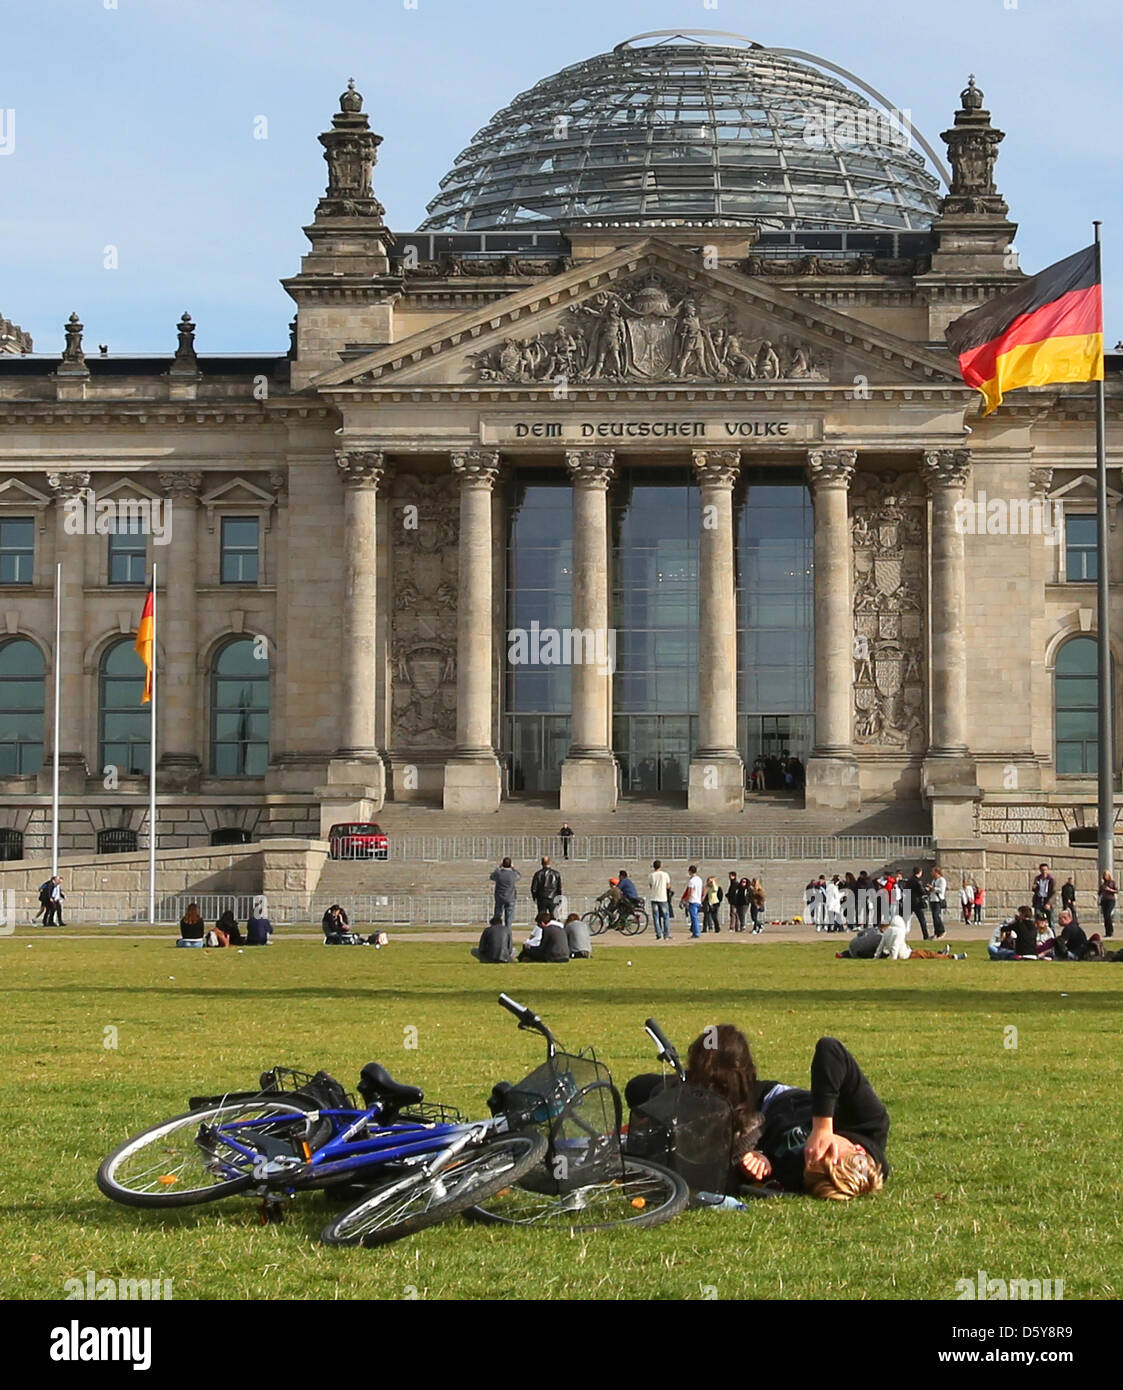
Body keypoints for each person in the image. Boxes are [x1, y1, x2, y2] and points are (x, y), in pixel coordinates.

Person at [629, 1026, 888, 1200]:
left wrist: (757, 1160)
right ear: (859, 1149)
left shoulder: (811, 1177)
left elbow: (738, 1178)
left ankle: (685, 1092)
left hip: (745, 1125)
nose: (814, 1153)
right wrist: (822, 1128)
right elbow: (829, 1050)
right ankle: (688, 1086)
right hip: (766, 1098)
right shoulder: (869, 1122)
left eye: (811, 1163)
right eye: (828, 1151)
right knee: (721, 1043)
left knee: (652, 1096)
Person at [874, 914, 965, 960]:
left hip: (908, 952)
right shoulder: (899, 932)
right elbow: (895, 946)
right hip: (907, 955)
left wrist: (876, 957)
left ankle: (941, 953)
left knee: (927, 953)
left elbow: (880, 946)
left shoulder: (888, 932)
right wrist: (894, 959)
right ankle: (952, 957)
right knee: (929, 954)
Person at [489, 857, 520, 934]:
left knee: (497, 916)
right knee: (509, 919)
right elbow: (519, 876)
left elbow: (492, 876)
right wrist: (513, 868)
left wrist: (498, 868)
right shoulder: (513, 874)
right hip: (510, 897)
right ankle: (508, 934)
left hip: (500, 897)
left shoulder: (499, 873)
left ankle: (496, 932)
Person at [901, 866, 929, 940]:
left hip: (908, 901)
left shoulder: (909, 880)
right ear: (920, 872)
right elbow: (922, 892)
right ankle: (925, 935)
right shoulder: (918, 881)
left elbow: (905, 889)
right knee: (922, 920)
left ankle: (902, 935)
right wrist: (927, 890)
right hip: (917, 902)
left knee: (906, 919)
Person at [649, 860, 671, 940]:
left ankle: (658, 934)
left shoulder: (651, 875)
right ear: (660, 866)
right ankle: (666, 934)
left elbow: (651, 886)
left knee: (656, 916)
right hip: (663, 897)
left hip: (654, 897)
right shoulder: (665, 874)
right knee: (666, 916)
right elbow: (668, 886)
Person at [1031, 862, 1057, 929]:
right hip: (1039, 900)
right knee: (1038, 920)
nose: (1044, 872)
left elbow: (1054, 893)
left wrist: (1049, 903)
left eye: (1045, 870)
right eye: (1042, 870)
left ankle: (1052, 936)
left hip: (1047, 901)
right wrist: (1034, 887)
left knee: (1051, 921)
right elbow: (1035, 889)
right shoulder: (1037, 878)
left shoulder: (1051, 880)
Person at [927, 864, 948, 939]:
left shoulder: (942, 880)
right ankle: (936, 933)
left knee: (937, 916)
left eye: (932, 872)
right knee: (934, 917)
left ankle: (942, 930)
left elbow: (941, 890)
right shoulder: (933, 880)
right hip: (932, 899)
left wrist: (933, 888)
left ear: (937, 872)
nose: (931, 873)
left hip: (938, 900)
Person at [682, 865, 703, 939]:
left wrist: (686, 900)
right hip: (698, 900)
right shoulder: (699, 879)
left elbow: (690, 891)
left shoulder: (692, 881)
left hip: (693, 900)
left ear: (690, 871)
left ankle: (696, 933)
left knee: (694, 917)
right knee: (695, 917)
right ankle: (695, 931)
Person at [1098, 870, 1116, 938]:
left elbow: (1116, 890)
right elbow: (1099, 892)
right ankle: (1107, 932)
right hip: (1104, 900)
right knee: (1105, 916)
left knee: (1108, 914)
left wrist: (1110, 889)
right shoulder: (1103, 884)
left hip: (1110, 900)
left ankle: (1111, 931)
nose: (1105, 877)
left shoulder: (1112, 882)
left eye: (1106, 875)